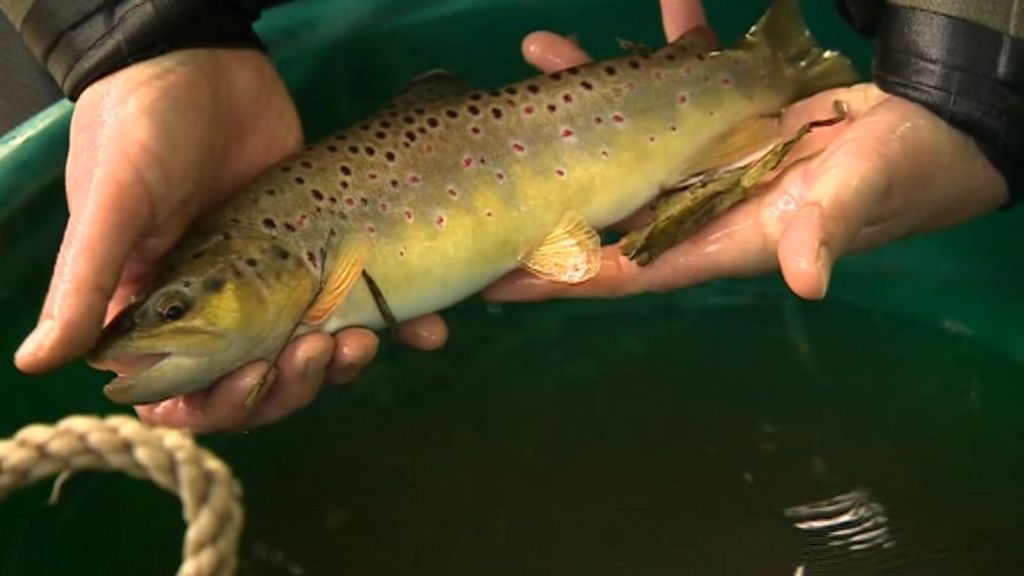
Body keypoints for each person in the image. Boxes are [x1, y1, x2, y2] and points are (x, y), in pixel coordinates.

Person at [1, 0, 1017, 433]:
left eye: (175, 306)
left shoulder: (317, 288)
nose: (144, 340)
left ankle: (762, 73)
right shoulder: (299, 279)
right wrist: (138, 29)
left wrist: (973, 78)